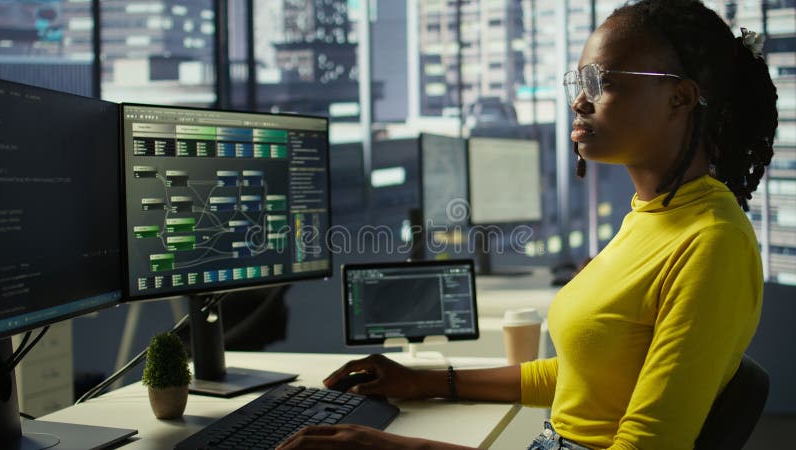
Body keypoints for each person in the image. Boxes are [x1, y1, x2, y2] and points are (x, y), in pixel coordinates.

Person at [278, 0, 778, 448]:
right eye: (579, 81)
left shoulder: (711, 241)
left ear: (680, 99)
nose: (580, 101)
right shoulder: (651, 215)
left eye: (602, 82)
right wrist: (425, 379)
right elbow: (587, 375)